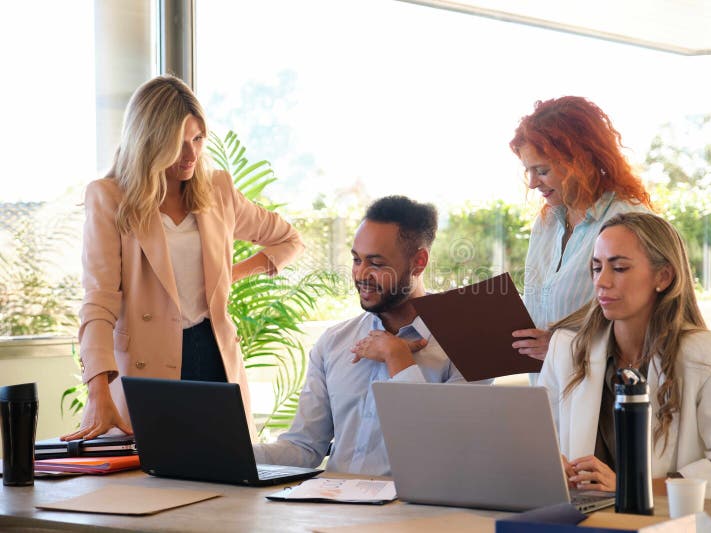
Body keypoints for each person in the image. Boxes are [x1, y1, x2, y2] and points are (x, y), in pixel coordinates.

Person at [62, 75, 303, 441]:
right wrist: (97, 390)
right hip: (147, 369)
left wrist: (228, 274)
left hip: (215, 356)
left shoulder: (218, 190)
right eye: (178, 143)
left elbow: (288, 239)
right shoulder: (109, 198)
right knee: (151, 488)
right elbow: (99, 302)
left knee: (227, 484)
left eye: (197, 139)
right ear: (150, 142)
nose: (192, 155)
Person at [538, 212, 711, 500]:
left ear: (663, 276)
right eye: (596, 267)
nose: (601, 281)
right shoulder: (566, 349)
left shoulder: (704, 354)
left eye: (619, 268)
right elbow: (539, 447)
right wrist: (553, 468)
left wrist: (630, 487)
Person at [253, 196, 472, 476]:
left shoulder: (466, 342)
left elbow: (444, 452)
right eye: (357, 260)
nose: (361, 274)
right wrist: (233, 453)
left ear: (418, 262)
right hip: (330, 509)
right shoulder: (333, 342)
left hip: (414, 514)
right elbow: (304, 449)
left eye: (377, 264)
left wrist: (398, 359)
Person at [508, 96, 652, 364]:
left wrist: (565, 346)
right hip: (547, 394)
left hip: (604, 396)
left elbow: (648, 326)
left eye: (541, 170)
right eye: (528, 171)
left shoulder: (630, 221)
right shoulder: (547, 222)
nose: (531, 183)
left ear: (581, 161)